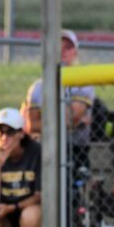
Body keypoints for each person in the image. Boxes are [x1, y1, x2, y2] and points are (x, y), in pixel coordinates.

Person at [21, 29, 95, 174]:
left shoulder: (84, 83)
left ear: (76, 52)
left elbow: (71, 118)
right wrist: (68, 118)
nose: (63, 51)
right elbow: (32, 125)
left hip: (74, 148)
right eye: (57, 46)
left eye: (68, 47)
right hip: (43, 147)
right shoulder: (38, 86)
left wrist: (44, 118)